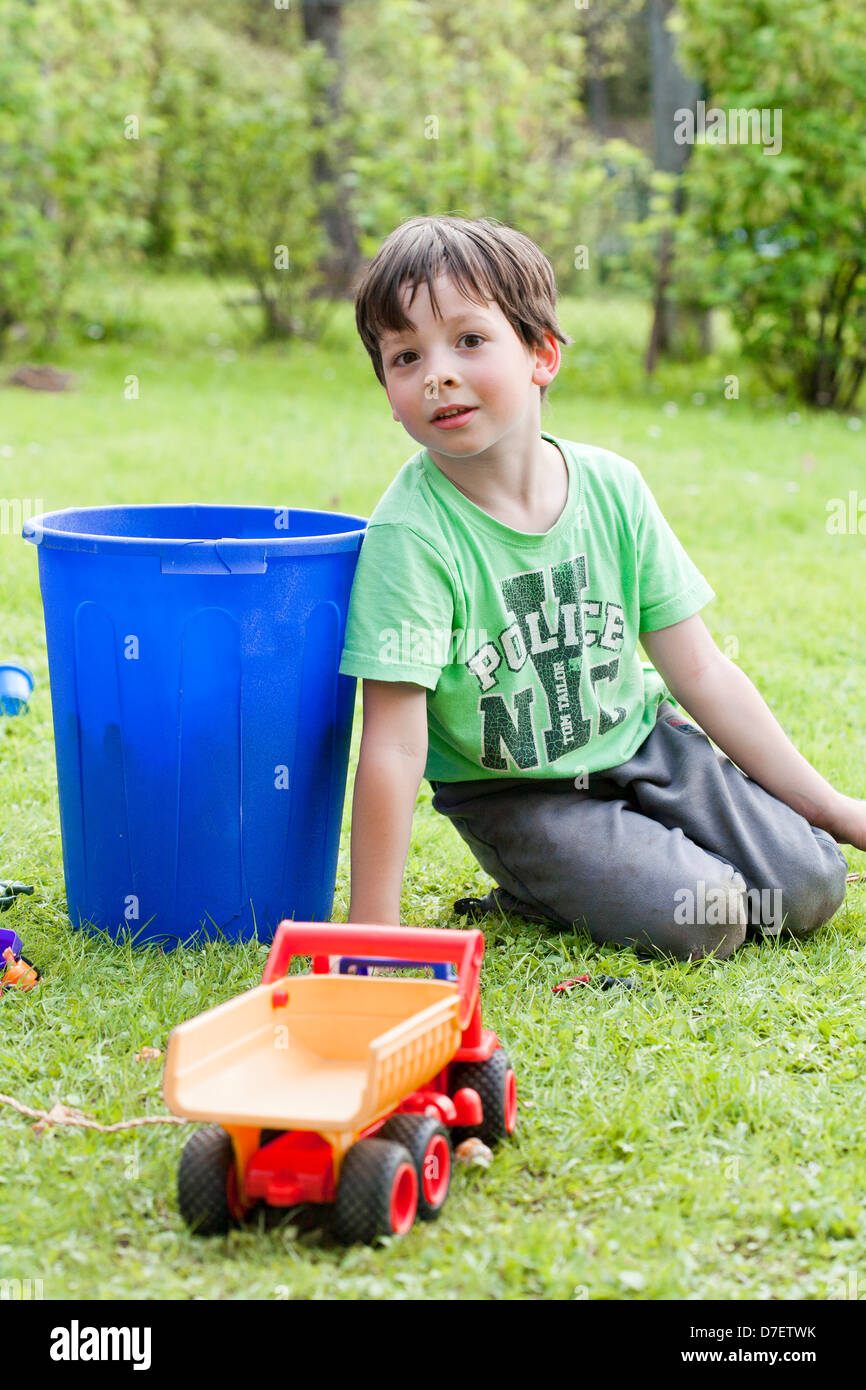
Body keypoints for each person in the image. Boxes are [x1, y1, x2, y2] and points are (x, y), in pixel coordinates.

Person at [337, 214, 857, 961]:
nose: (437, 374)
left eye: (470, 340)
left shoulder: (613, 488)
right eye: (404, 356)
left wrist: (834, 809)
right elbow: (391, 743)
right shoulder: (412, 535)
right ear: (389, 394)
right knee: (707, 918)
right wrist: (374, 934)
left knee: (810, 886)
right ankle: (541, 880)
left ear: (542, 353)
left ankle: (649, 848)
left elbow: (702, 671)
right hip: (517, 793)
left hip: (642, 741)